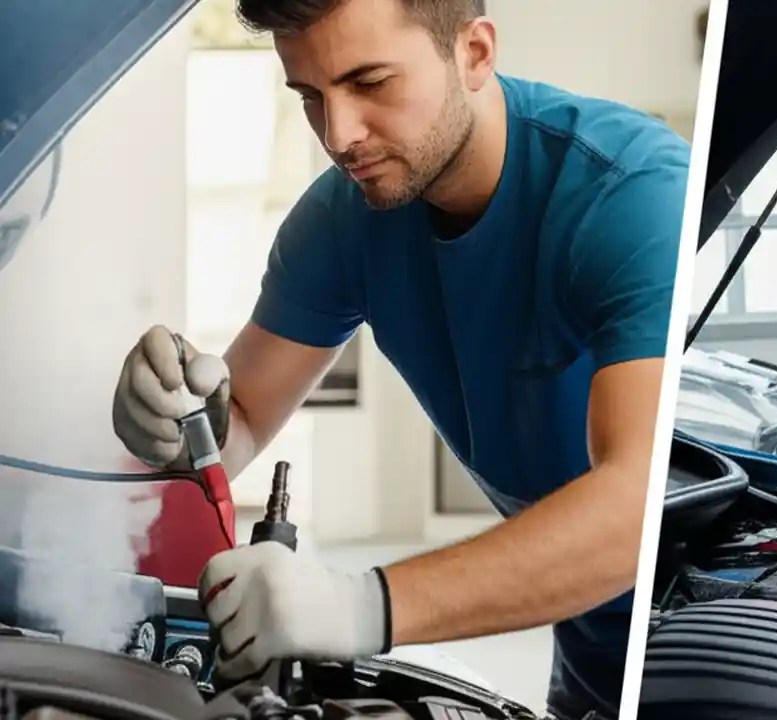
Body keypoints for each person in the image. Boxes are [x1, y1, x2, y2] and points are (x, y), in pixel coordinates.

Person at [109, 0, 689, 717]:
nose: (339, 135)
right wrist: (174, 428)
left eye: (370, 83)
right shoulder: (342, 220)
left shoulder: (633, 194)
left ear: (474, 53)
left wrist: (359, 606)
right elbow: (243, 419)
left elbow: (636, 505)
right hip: (584, 655)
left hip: (696, 637)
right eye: (311, 96)